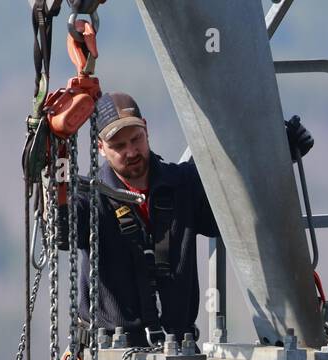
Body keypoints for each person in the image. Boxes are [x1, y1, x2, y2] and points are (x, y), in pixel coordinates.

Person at [74, 92, 315, 346]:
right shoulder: (90, 200)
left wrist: (279, 152)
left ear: (146, 128)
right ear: (100, 147)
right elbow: (60, 227)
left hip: (177, 353)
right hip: (109, 357)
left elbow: (235, 194)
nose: (131, 151)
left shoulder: (182, 185)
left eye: (136, 139)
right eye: (119, 146)